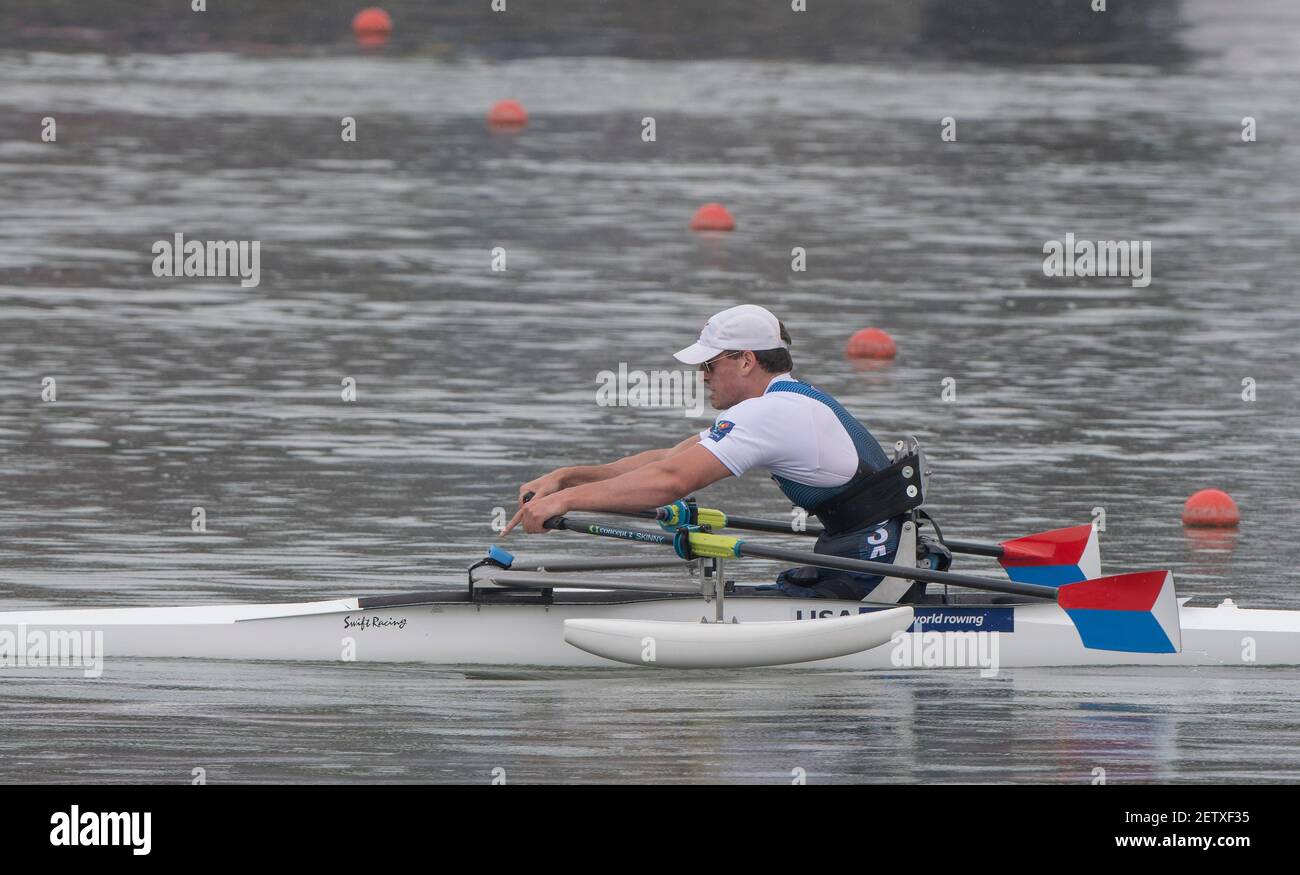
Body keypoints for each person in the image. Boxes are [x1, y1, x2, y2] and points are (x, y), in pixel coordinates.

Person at [503, 304, 917, 602]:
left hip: (873, 574)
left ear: (746, 361)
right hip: (862, 557)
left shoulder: (772, 412)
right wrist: (567, 477)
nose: (702, 377)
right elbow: (669, 459)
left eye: (709, 365)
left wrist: (566, 501)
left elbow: (671, 482)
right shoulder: (785, 401)